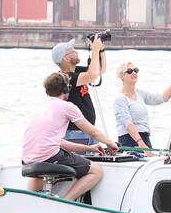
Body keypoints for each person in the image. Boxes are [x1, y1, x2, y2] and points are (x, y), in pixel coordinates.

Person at [23, 72, 119, 201]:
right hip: (48, 157)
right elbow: (93, 132)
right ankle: (66, 202)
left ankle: (27, 201)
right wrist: (110, 143)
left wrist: (90, 148)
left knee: (40, 172)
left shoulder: (41, 107)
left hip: (27, 159)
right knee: (97, 171)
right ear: (66, 88)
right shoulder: (67, 107)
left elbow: (59, 142)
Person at [113, 62, 171, 149]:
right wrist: (141, 144)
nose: (134, 73)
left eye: (136, 70)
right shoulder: (120, 99)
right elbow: (128, 124)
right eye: (130, 71)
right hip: (128, 140)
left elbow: (162, 98)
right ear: (122, 76)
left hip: (145, 137)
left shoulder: (140, 93)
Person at [53, 35, 105, 145]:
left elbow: (100, 69)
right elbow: (92, 75)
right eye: (73, 51)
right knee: (83, 162)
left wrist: (101, 50)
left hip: (87, 131)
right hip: (74, 133)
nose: (76, 52)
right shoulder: (65, 78)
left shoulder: (76, 71)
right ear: (66, 58)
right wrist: (95, 50)